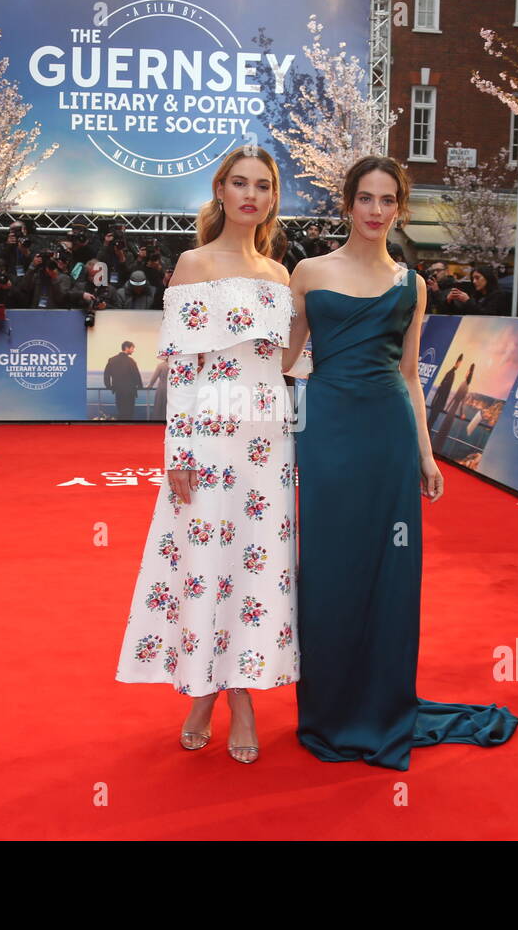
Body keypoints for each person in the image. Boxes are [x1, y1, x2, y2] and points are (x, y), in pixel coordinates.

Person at [281, 155, 518, 770]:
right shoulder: (307, 272)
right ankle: (330, 709)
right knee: (329, 568)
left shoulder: (411, 283)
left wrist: (427, 454)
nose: (376, 211)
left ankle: (383, 703)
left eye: (388, 200)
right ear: (347, 203)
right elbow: (284, 359)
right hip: (328, 430)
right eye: (366, 198)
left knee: (389, 573)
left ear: (400, 207)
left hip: (387, 433)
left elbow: (410, 375)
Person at [115, 147, 298, 764]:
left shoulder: (280, 276)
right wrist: (179, 453)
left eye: (263, 185)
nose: (251, 194)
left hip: (268, 440)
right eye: (240, 183)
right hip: (212, 438)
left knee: (255, 566)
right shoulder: (193, 265)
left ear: (273, 197)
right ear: (220, 189)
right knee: (204, 558)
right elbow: (184, 372)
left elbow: (288, 365)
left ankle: (243, 694)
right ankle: (201, 690)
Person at [102, 341, 143, 420]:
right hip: (130, 391)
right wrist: (140, 386)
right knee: (129, 412)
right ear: (126, 348)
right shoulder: (131, 361)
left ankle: (121, 429)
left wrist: (109, 386)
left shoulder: (112, 360)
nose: (133, 350)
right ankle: (128, 429)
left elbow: (106, 374)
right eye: (132, 348)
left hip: (118, 391)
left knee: (121, 411)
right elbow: (136, 375)